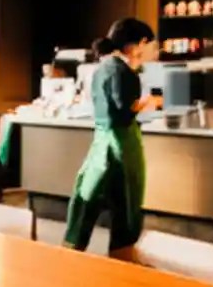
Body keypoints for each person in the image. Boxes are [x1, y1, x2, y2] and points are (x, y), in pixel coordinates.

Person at [64, 17, 158, 252]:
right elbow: (125, 107)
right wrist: (151, 102)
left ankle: (71, 248)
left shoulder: (101, 69)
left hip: (101, 141)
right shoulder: (123, 71)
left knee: (87, 197)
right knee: (126, 202)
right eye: (150, 45)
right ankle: (123, 255)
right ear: (140, 43)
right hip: (122, 142)